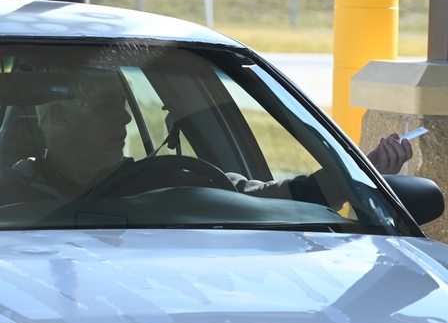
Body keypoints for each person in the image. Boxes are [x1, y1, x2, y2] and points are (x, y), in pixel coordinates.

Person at [0, 67, 413, 203]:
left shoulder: (178, 182)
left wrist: (362, 172)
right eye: (107, 105)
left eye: (124, 105)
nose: (126, 119)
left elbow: (284, 199)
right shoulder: (9, 193)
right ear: (55, 117)